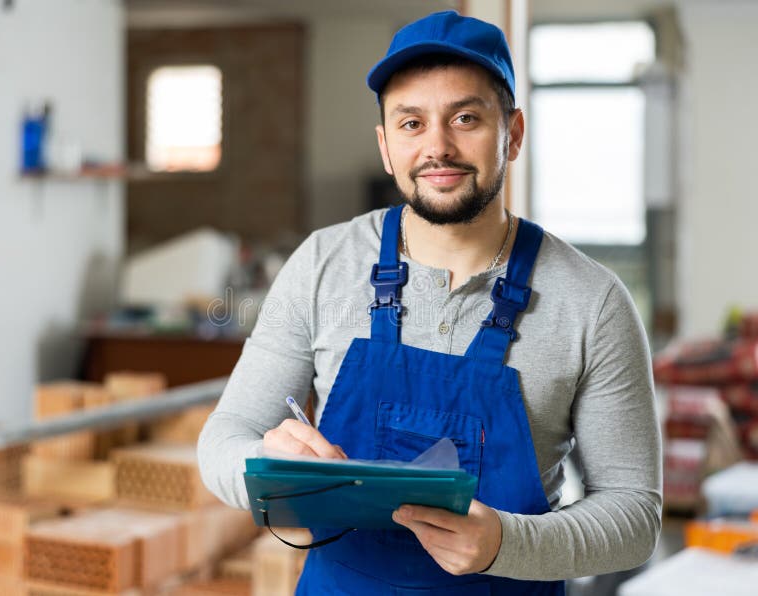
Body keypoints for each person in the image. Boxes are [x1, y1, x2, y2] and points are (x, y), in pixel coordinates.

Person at [198, 10, 661, 595]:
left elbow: (635, 516)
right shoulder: (321, 265)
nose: (437, 147)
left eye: (465, 118)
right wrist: (269, 469)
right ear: (386, 146)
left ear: (512, 133)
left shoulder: (592, 303)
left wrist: (505, 545)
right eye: (411, 123)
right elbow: (226, 436)